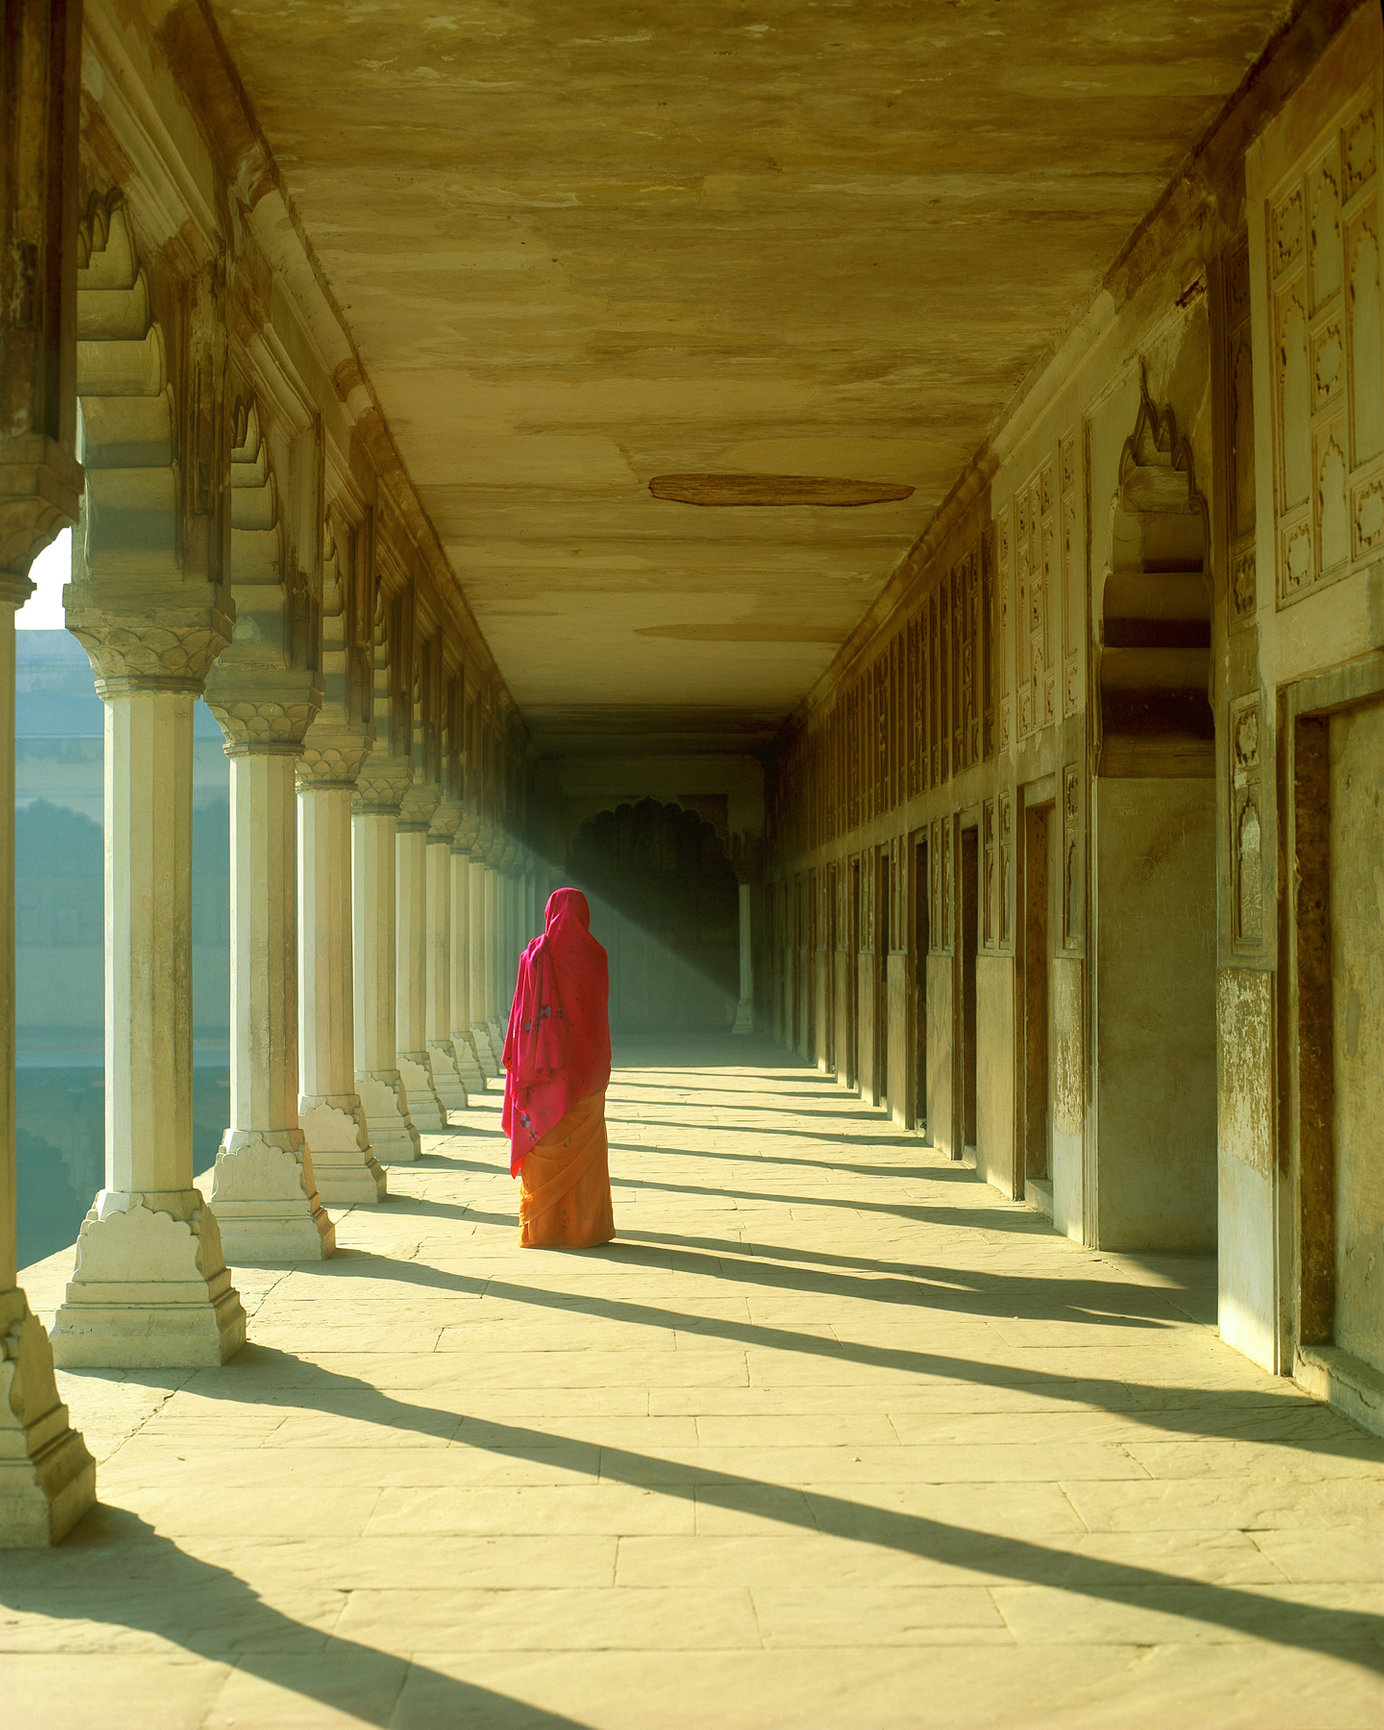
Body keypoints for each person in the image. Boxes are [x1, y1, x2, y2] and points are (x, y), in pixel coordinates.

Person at [502, 887, 615, 1248]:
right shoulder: (596, 956)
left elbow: (520, 1017)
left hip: (542, 1075)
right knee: (586, 1156)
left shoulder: (533, 956)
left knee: (544, 1143)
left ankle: (542, 1229)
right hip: (587, 1072)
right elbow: (596, 1017)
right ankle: (586, 1230)